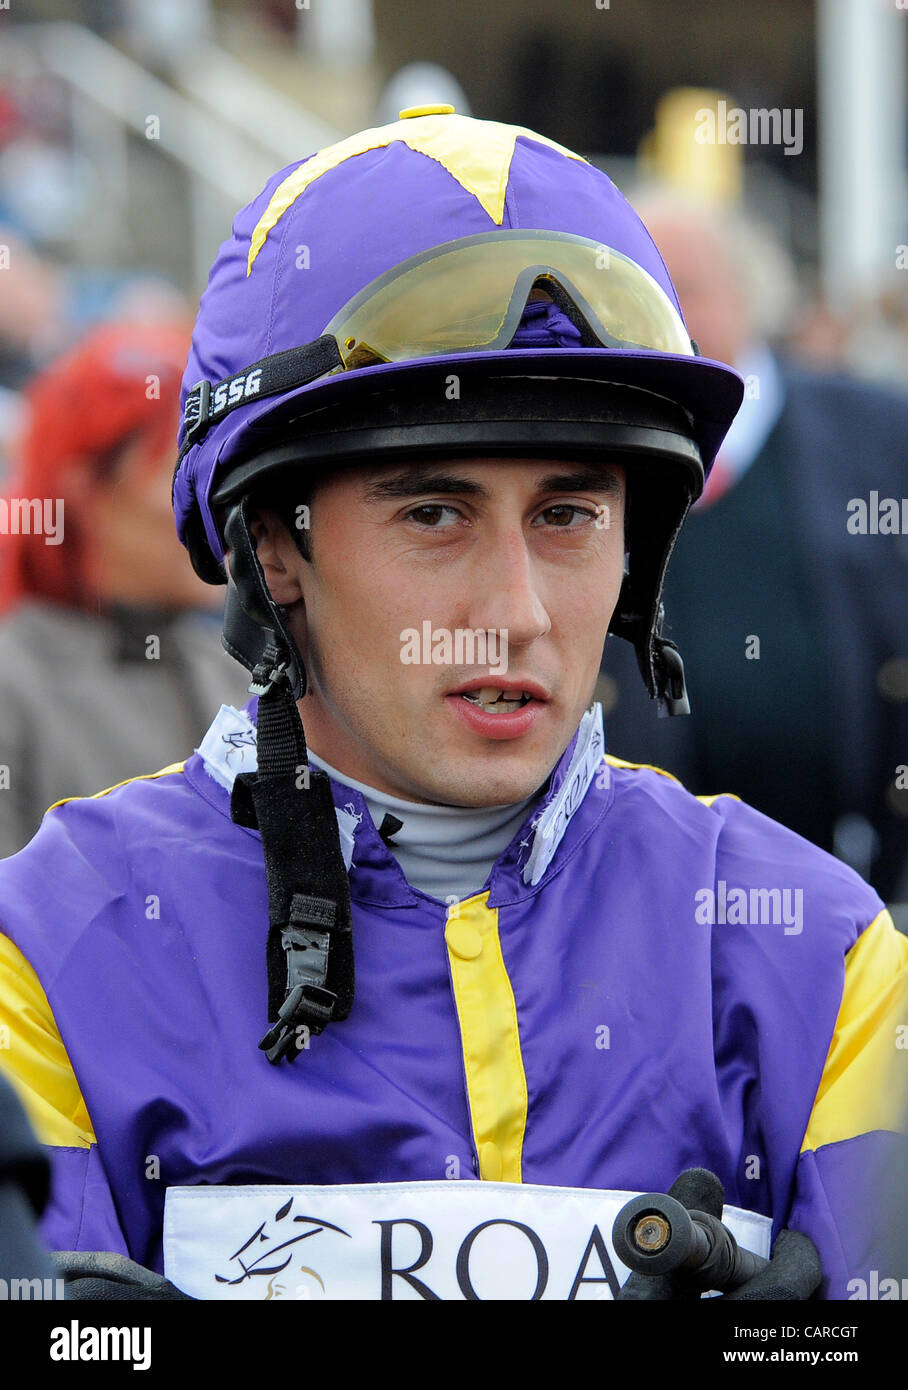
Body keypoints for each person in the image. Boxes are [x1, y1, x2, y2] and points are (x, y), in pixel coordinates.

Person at [0, 108, 904, 1302]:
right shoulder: (46, 952)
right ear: (274, 549)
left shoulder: (823, 952)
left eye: (566, 513)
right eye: (433, 513)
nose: (516, 610)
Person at [599, 191, 908, 914]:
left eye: (686, 288)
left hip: (849, 887)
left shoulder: (875, 434)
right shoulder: (593, 456)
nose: (661, 316)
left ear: (748, 297)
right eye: (634, 289)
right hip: (643, 902)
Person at [0, 320, 249, 857]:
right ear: (86, 491)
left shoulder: (233, 667)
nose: (216, 505)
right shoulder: (14, 686)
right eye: (182, 473)